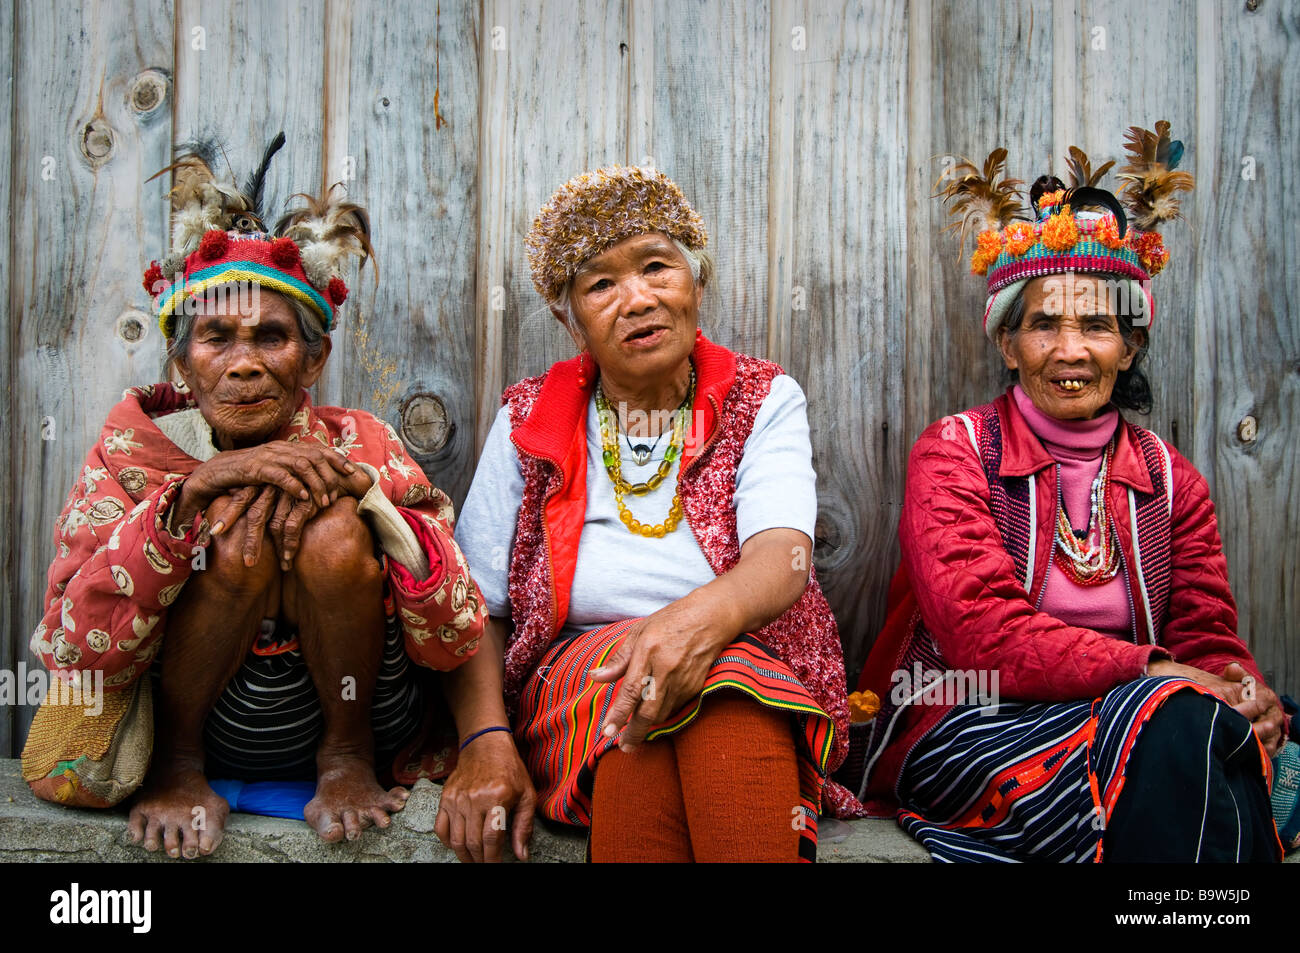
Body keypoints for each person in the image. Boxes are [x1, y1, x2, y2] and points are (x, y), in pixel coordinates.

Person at [26, 137, 487, 859]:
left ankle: (343, 758)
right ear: (181, 358)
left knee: (332, 525)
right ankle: (180, 765)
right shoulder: (132, 451)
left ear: (314, 357)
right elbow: (74, 653)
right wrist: (187, 501)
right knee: (234, 524)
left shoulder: (362, 443)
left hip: (361, 711)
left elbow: (456, 630)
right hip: (210, 727)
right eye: (216, 337)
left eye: (270, 336)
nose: (243, 363)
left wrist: (371, 503)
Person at [854, 123, 1286, 862]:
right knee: (1186, 739)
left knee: (1205, 731)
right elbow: (982, 635)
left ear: (1131, 344)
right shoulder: (954, 454)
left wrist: (1237, 684)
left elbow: (1205, 635)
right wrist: (1154, 671)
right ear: (1006, 342)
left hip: (1146, 712)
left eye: (1096, 325)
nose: (1070, 350)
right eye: (1044, 324)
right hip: (969, 716)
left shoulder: (1170, 480)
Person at [442, 166, 861, 863]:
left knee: (687, 708)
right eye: (600, 284)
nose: (636, 298)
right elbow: (477, 605)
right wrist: (484, 741)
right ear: (569, 318)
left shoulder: (763, 397)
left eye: (657, 267)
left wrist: (688, 628)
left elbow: (782, 556)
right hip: (579, 678)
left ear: (697, 285)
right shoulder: (527, 417)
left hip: (735, 660)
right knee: (692, 693)